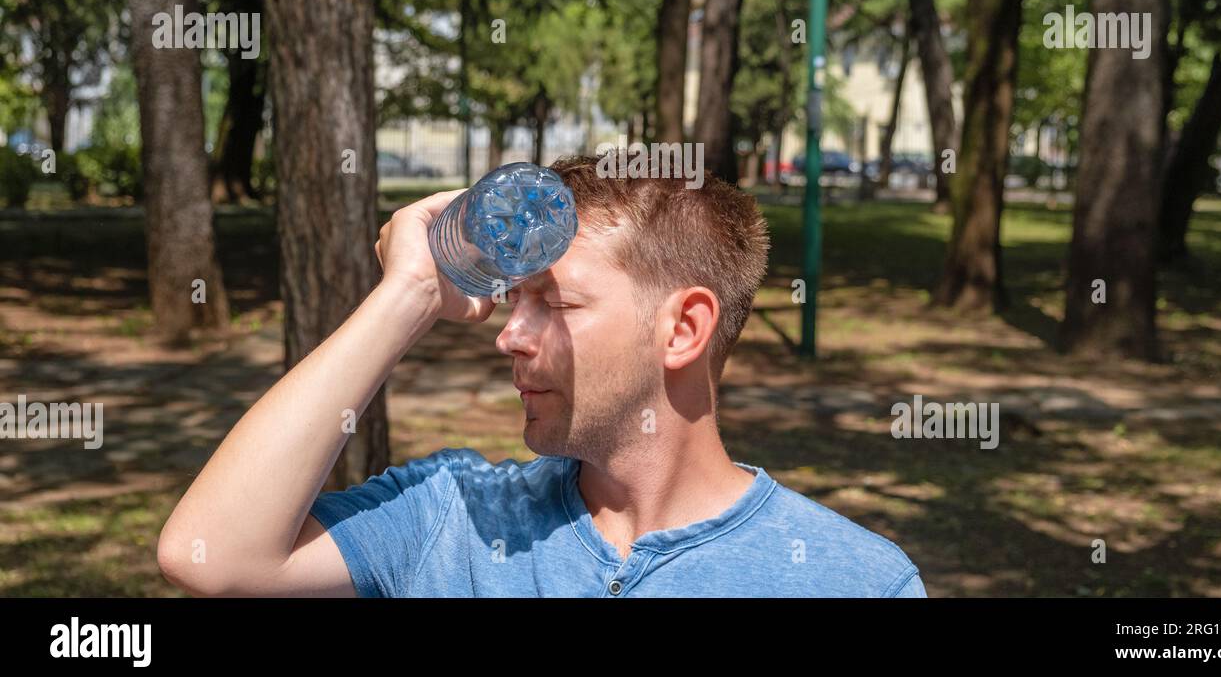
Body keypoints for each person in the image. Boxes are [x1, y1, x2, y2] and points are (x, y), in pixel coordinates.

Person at [157, 154, 926, 597]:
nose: (509, 338)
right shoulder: (454, 518)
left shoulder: (853, 580)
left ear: (683, 329)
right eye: (511, 300)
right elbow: (212, 556)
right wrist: (410, 293)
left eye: (552, 304)